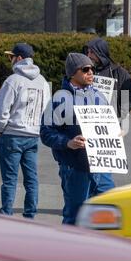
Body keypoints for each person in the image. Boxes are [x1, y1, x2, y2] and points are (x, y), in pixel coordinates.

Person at [40, 52, 115, 225]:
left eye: (92, 69)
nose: (91, 73)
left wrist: (115, 131)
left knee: (108, 213)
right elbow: (46, 132)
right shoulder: (60, 98)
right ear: (73, 73)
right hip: (75, 167)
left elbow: (109, 124)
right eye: (85, 69)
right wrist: (68, 143)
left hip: (101, 166)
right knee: (75, 216)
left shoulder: (100, 96)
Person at [0, 43, 50, 218]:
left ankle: (6, 214)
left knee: (10, 180)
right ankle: (30, 215)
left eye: (11, 57)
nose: (10, 60)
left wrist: (2, 129)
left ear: (19, 58)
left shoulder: (12, 80)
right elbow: (46, 109)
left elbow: (2, 110)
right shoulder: (42, 81)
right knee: (31, 179)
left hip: (12, 134)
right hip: (33, 135)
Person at [85, 37, 131, 128]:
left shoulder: (119, 73)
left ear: (100, 53)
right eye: (88, 52)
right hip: (87, 123)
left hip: (112, 124)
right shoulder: (84, 71)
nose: (88, 55)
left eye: (92, 52)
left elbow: (128, 97)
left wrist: (118, 115)